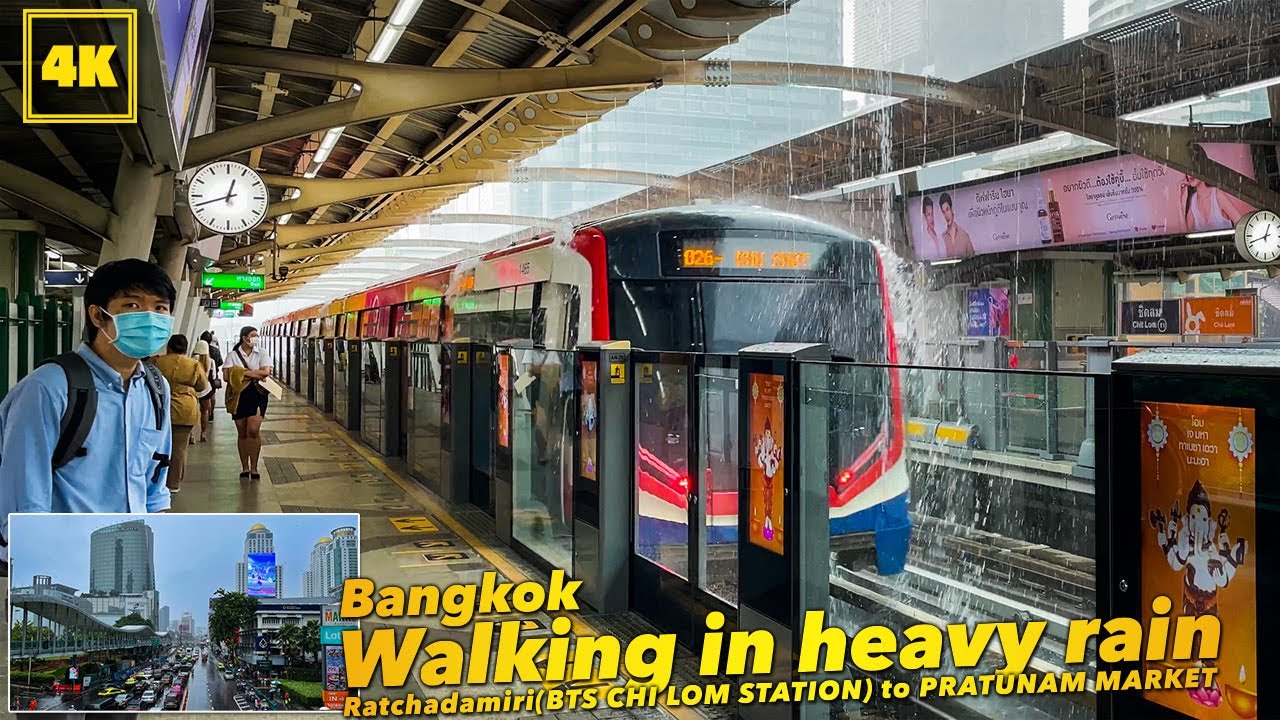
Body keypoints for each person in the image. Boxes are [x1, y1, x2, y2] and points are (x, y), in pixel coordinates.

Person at [0, 259, 173, 569]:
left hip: (128, 558)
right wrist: (34, 568)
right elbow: (25, 501)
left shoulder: (156, 388)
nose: (150, 318)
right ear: (97, 315)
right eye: (132, 305)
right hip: (60, 560)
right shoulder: (48, 388)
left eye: (160, 308)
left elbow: (154, 486)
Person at [151, 335, 208, 493]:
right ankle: (173, 484)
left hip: (158, 408)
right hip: (185, 410)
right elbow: (202, 386)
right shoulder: (194, 365)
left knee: (154, 445)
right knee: (179, 449)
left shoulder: (156, 361)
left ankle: (154, 481)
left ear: (168, 347)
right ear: (185, 348)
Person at [224, 326, 274, 480]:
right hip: (238, 395)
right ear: (244, 337)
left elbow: (266, 372)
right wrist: (254, 374)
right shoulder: (232, 354)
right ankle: (245, 467)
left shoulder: (262, 353)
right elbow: (227, 376)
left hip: (257, 394)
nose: (256, 338)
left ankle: (254, 467)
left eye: (257, 335)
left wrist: (239, 373)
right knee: (242, 431)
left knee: (253, 430)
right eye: (253, 335)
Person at [192, 336, 215, 441]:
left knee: (193, 412)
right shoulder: (210, 361)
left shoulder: (192, 360)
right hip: (205, 388)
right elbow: (213, 376)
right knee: (204, 411)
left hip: (193, 389)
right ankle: (203, 433)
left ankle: (191, 435)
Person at [939, 192, 975, 257]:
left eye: (947, 210)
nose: (946, 215)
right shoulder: (942, 239)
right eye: (943, 212)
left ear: (952, 209)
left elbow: (974, 260)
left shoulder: (964, 236)